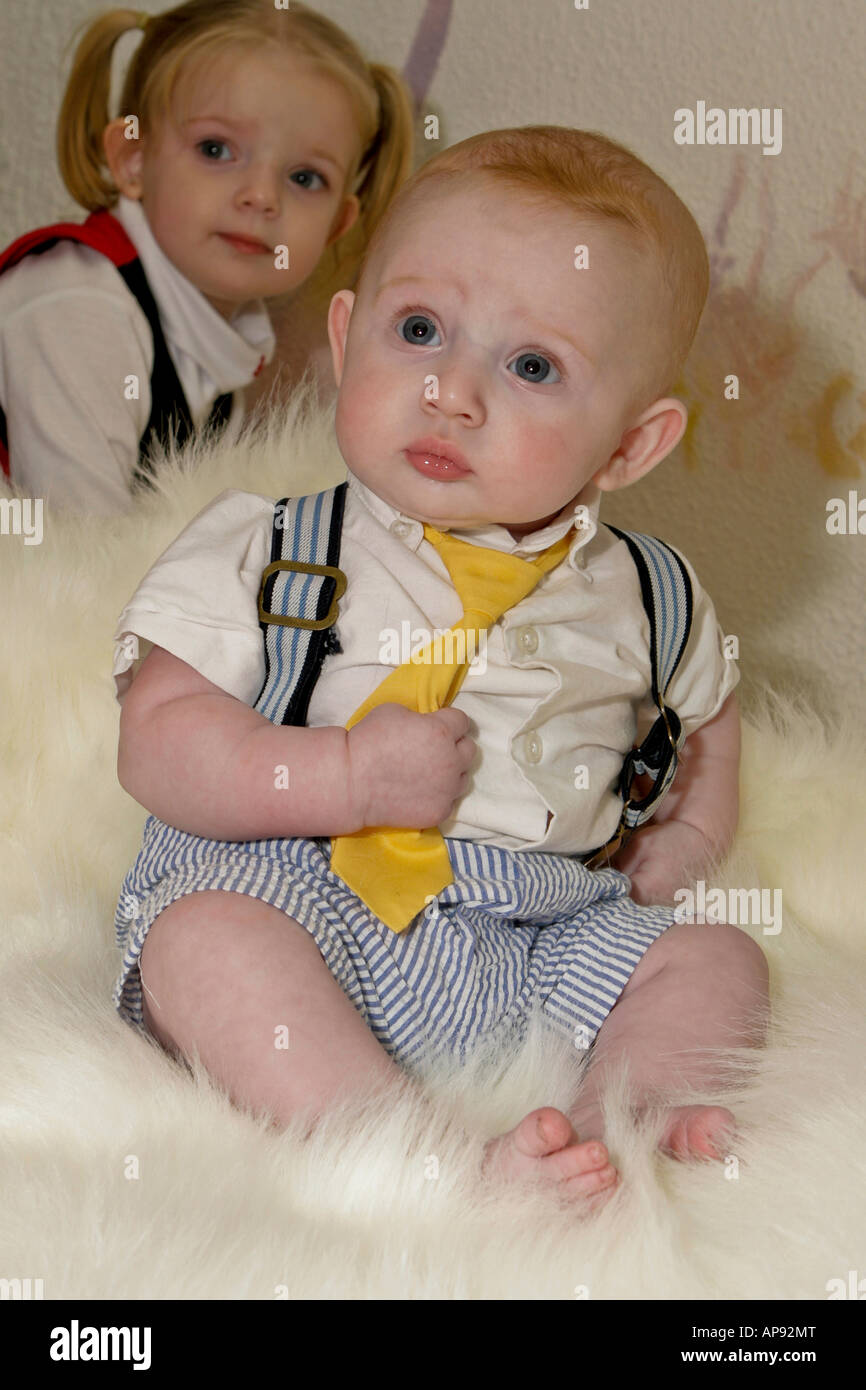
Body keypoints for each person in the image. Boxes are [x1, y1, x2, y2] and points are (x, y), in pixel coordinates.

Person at [111, 126, 769, 1205]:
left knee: (714, 961)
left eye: (529, 366)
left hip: (544, 922)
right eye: (417, 329)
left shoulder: (652, 591)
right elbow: (158, 737)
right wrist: (341, 778)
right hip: (309, 892)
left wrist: (685, 839)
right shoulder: (265, 542)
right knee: (204, 942)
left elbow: (713, 714)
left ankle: (614, 1129)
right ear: (343, 332)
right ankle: (420, 1162)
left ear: (628, 446)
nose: (451, 393)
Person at [0, 0, 412, 512]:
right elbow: (79, 548)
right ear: (133, 160)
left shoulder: (222, 330)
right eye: (216, 149)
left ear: (336, 225)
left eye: (305, 177)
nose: (261, 196)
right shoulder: (77, 309)